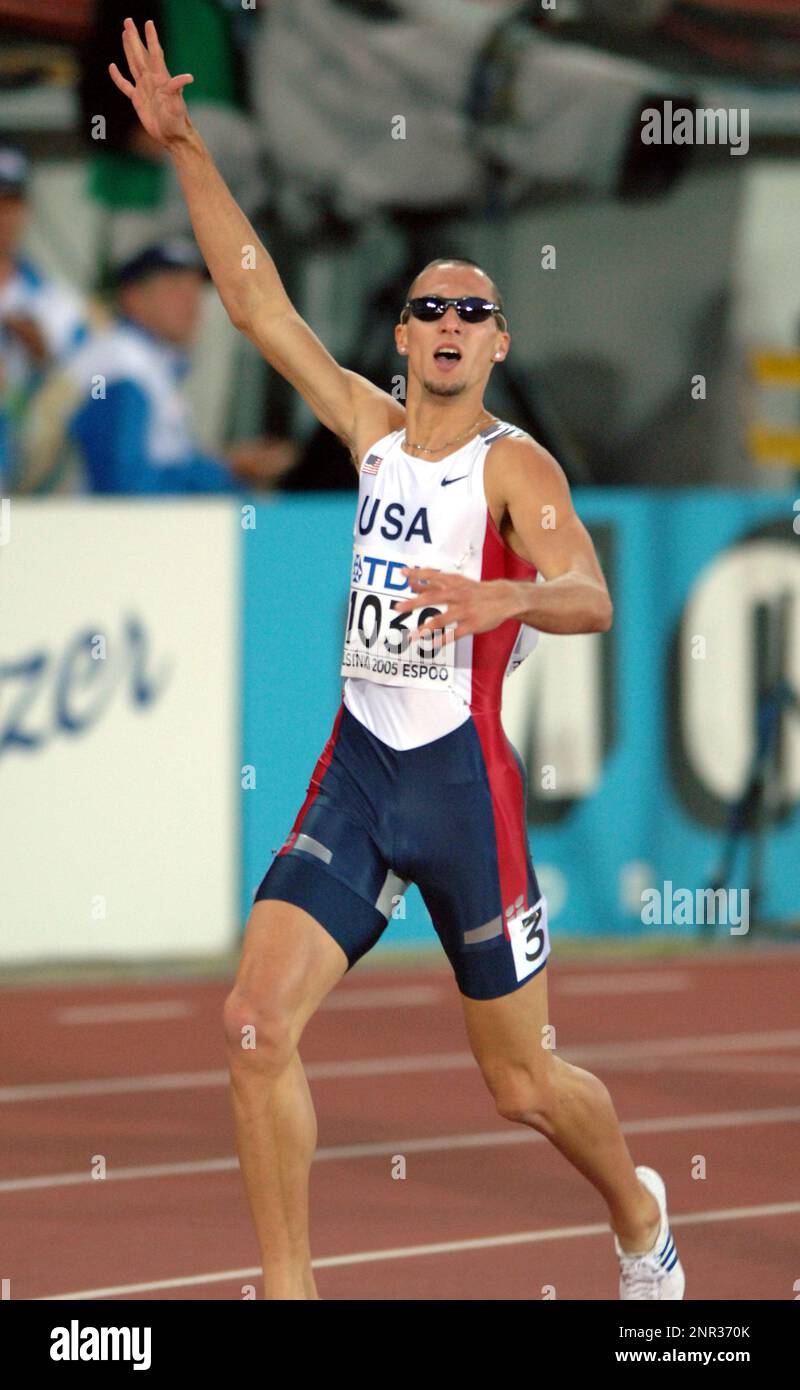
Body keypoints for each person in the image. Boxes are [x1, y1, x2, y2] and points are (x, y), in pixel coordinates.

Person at [110, 17, 685, 1301]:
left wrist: (500, 597)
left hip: (461, 793)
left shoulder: (513, 467)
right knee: (252, 1026)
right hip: (359, 773)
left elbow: (589, 592)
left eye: (470, 312)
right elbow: (254, 297)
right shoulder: (367, 430)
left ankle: (637, 1217)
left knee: (521, 1084)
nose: (444, 323)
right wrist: (193, 146)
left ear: (493, 347)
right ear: (405, 334)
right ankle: (291, 1290)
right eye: (427, 305)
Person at [53, 238, 298, 495]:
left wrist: (229, 468)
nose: (191, 300)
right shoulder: (121, 364)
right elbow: (120, 487)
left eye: (195, 288)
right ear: (133, 297)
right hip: (98, 530)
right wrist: (226, 469)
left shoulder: (150, 362)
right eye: (174, 286)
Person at [0, 146, 90, 490]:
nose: (3, 215)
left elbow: (82, 401)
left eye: (12, 203)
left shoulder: (59, 306)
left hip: (27, 480)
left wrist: (42, 357)